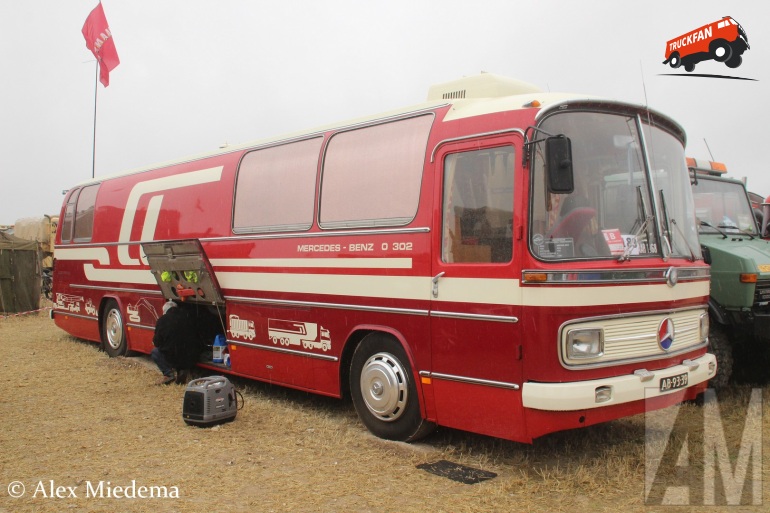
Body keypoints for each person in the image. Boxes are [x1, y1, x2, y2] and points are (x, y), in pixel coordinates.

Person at [151, 300, 201, 385]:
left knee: (155, 352)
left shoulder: (162, 320)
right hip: (191, 355)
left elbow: (157, 342)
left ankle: (168, 374)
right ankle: (182, 370)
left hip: (173, 356)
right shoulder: (188, 316)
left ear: (165, 311)